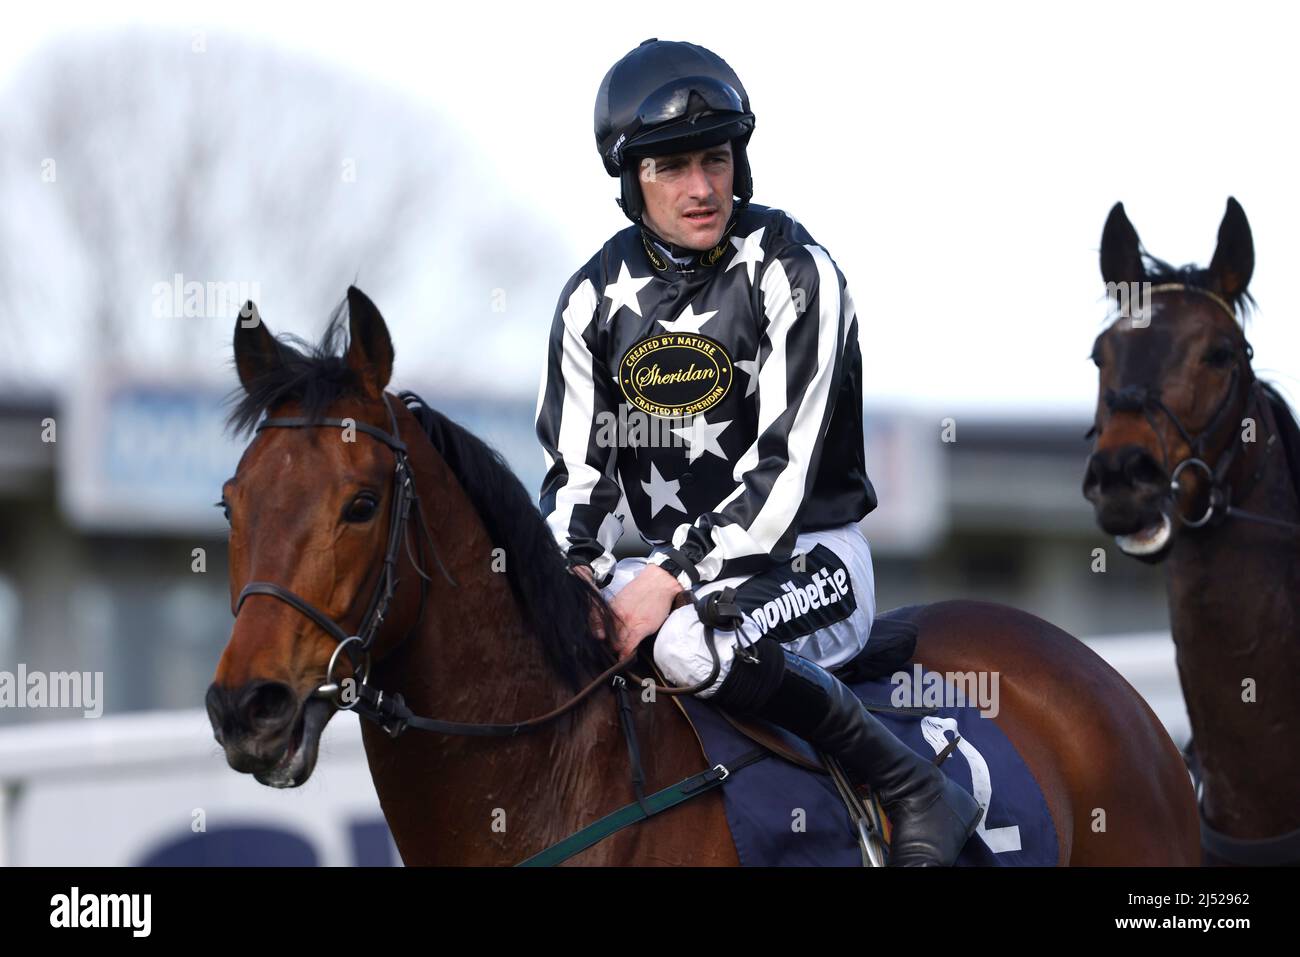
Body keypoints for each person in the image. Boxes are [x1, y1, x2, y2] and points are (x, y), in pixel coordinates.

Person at [535, 38, 982, 865]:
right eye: (671, 166)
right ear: (630, 178)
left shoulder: (797, 273)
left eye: (715, 158)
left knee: (684, 644)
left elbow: (782, 476)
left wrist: (666, 580)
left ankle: (921, 789)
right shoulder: (590, 300)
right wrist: (572, 575)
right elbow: (576, 478)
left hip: (811, 559)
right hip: (671, 569)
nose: (701, 187)